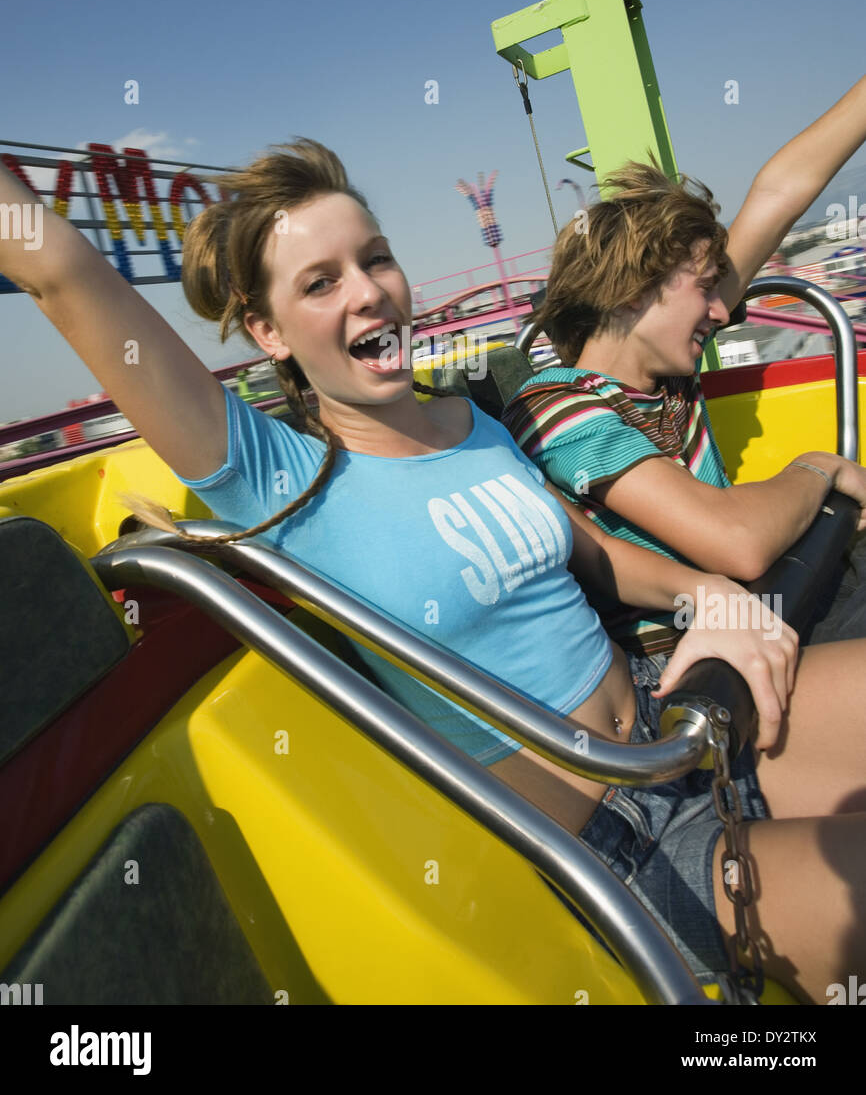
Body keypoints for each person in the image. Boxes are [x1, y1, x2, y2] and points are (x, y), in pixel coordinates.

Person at [1, 140, 864, 1006]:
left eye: (374, 259)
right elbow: (61, 273)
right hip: (618, 845)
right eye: (319, 282)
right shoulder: (279, 477)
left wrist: (703, 592)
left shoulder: (469, 420)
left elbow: (590, 553)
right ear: (268, 333)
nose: (368, 290)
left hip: (673, 714)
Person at [502, 76, 866, 654]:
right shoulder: (558, 409)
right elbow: (737, 541)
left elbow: (778, 192)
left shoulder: (665, 371)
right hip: (693, 661)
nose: (724, 310)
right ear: (631, 293)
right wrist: (821, 468)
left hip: (771, 607)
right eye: (705, 289)